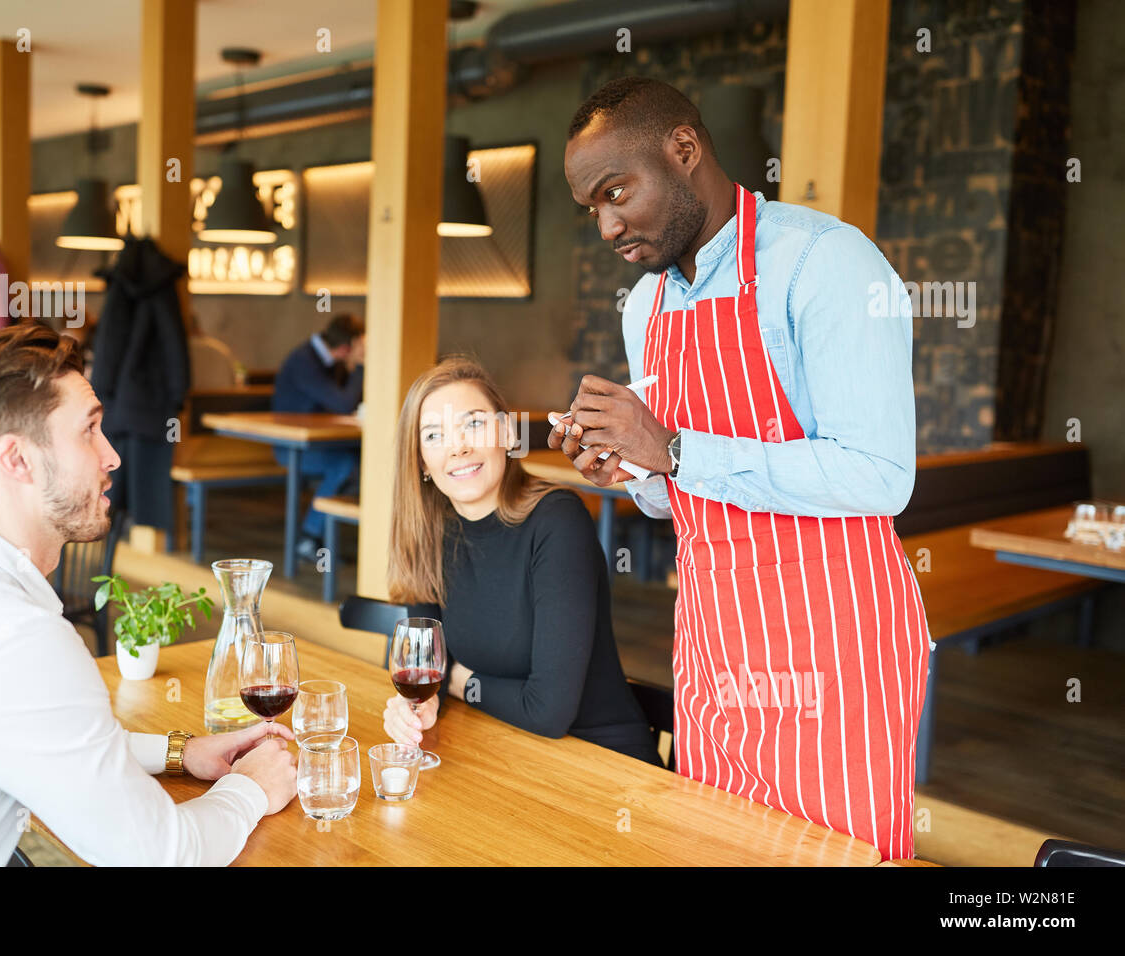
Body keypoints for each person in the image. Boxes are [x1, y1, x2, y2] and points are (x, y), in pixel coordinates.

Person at [551, 76, 932, 860]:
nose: (607, 225)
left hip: (836, 641)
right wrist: (631, 470)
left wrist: (675, 450)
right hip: (714, 632)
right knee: (712, 843)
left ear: (684, 150)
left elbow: (880, 475)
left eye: (616, 191)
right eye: (591, 207)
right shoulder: (644, 307)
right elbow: (675, 499)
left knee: (830, 853)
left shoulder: (825, 263)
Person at [0, 324, 297, 865]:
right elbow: (160, 854)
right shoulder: (13, 637)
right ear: (16, 460)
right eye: (89, 431)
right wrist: (253, 788)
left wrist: (179, 753)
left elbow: (26, 731)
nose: (113, 455)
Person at [380, 356, 660, 765]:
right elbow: (423, 662)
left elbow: (547, 712)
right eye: (434, 435)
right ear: (422, 460)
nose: (457, 446)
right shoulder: (429, 531)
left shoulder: (557, 521)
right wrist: (414, 708)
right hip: (505, 749)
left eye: (473, 424)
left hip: (602, 763)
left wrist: (454, 679)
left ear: (507, 433)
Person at [272, 313, 366, 561]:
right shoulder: (305, 362)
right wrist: (361, 366)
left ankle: (341, 531)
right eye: (362, 346)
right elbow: (343, 403)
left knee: (363, 459)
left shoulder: (327, 362)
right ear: (347, 347)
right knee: (346, 464)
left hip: (322, 443)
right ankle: (308, 537)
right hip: (292, 447)